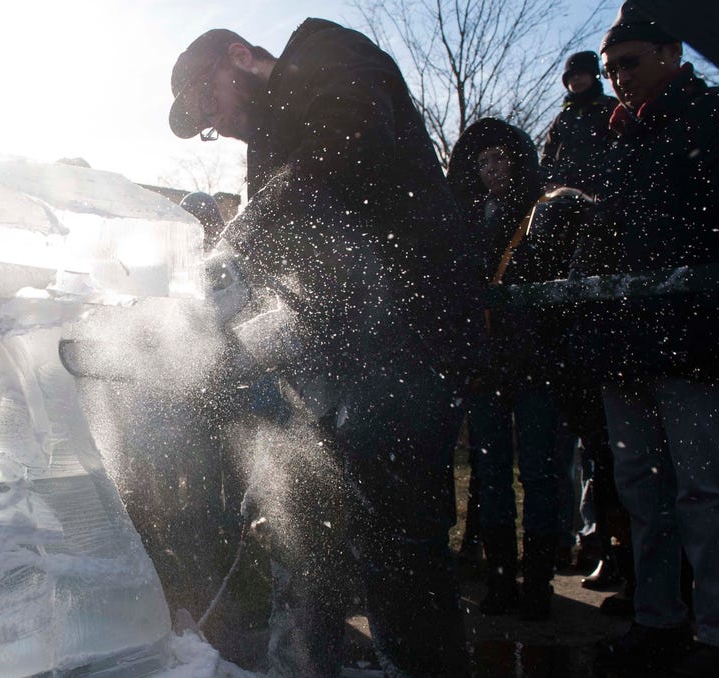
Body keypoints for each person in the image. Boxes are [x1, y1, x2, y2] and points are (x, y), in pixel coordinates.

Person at [169, 20, 475, 675]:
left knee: (401, 545)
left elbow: (346, 147)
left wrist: (234, 245)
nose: (214, 124)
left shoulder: (326, 56)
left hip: (412, 335)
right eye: (203, 123)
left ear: (240, 57)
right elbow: (284, 261)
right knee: (304, 524)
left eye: (208, 101)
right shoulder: (266, 146)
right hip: (330, 355)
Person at [574, 5, 719, 675]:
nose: (618, 80)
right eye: (609, 70)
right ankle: (659, 618)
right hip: (630, 339)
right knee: (642, 488)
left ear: (672, 53)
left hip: (696, 337)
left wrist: (709, 312)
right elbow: (609, 237)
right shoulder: (620, 137)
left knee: (704, 489)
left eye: (629, 63)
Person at [448, 118, 560, 620]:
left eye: (499, 159)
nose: (491, 169)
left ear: (518, 162)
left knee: (539, 472)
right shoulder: (469, 220)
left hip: (535, 362)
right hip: (487, 366)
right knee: (491, 476)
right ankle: (500, 580)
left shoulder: (546, 213)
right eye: (482, 162)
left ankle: (538, 582)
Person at [540, 51, 619, 196]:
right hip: (564, 191)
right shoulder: (562, 118)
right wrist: (548, 182)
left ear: (594, 75)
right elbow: (548, 156)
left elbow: (624, 148)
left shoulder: (611, 108)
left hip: (605, 190)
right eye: (570, 76)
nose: (575, 79)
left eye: (581, 73)